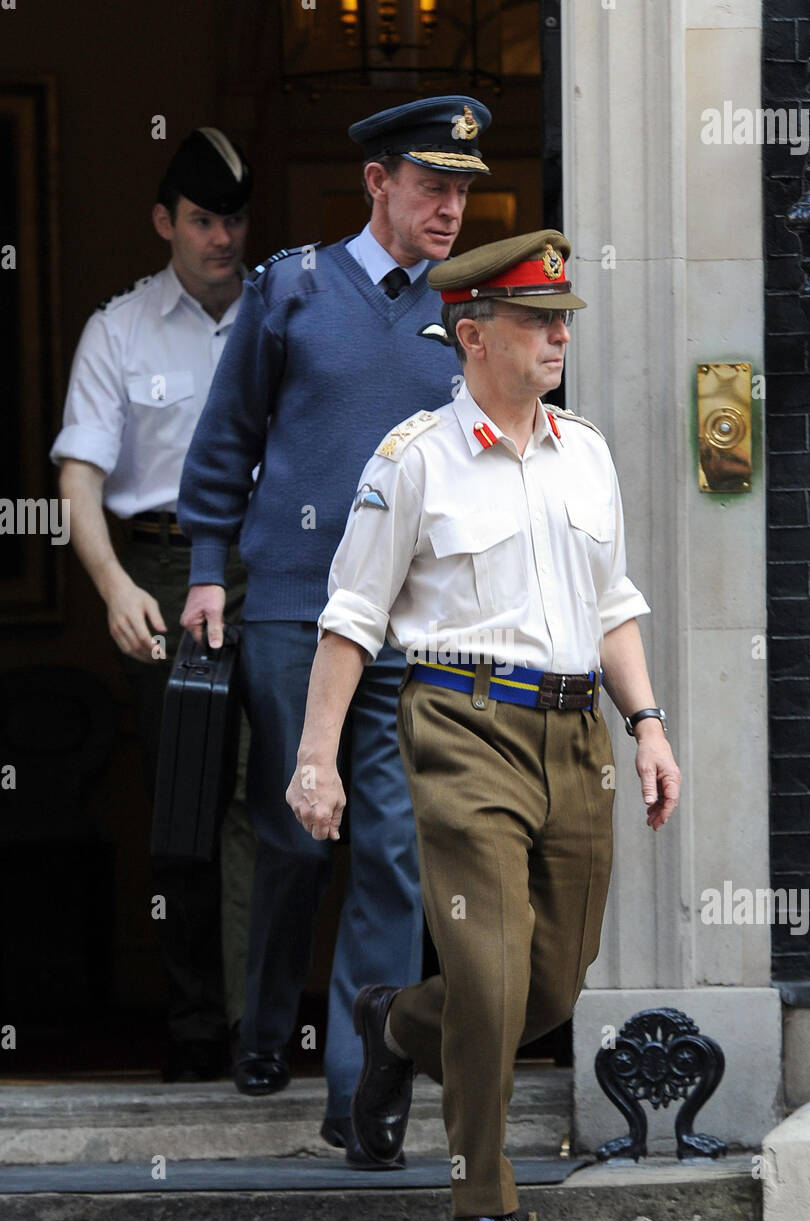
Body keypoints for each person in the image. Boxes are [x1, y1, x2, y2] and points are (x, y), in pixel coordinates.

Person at [285, 229, 681, 1221]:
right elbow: (351, 617)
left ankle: (394, 1027)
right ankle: (483, 1206)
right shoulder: (411, 462)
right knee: (494, 972)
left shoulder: (585, 451)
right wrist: (316, 758)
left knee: (548, 986)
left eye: (561, 321)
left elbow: (614, 606)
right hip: (460, 726)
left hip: (574, 734)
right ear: (473, 336)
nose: (558, 337)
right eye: (537, 322)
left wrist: (647, 723)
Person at [177, 97, 492, 1159]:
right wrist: (210, 570)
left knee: (393, 849)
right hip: (292, 610)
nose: (451, 209)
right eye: (431, 187)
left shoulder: (469, 311)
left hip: (410, 628)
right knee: (290, 837)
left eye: (462, 190)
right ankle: (267, 1025)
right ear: (378, 183)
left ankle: (363, 1092)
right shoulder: (292, 288)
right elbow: (228, 438)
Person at [53, 128, 255, 1082]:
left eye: (234, 219)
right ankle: (194, 1026)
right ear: (164, 222)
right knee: (184, 813)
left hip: (276, 570)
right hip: (164, 576)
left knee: (282, 802)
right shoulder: (120, 328)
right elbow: (79, 474)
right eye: (204, 220)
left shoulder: (280, 314)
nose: (222, 238)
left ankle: (267, 1028)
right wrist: (112, 588)